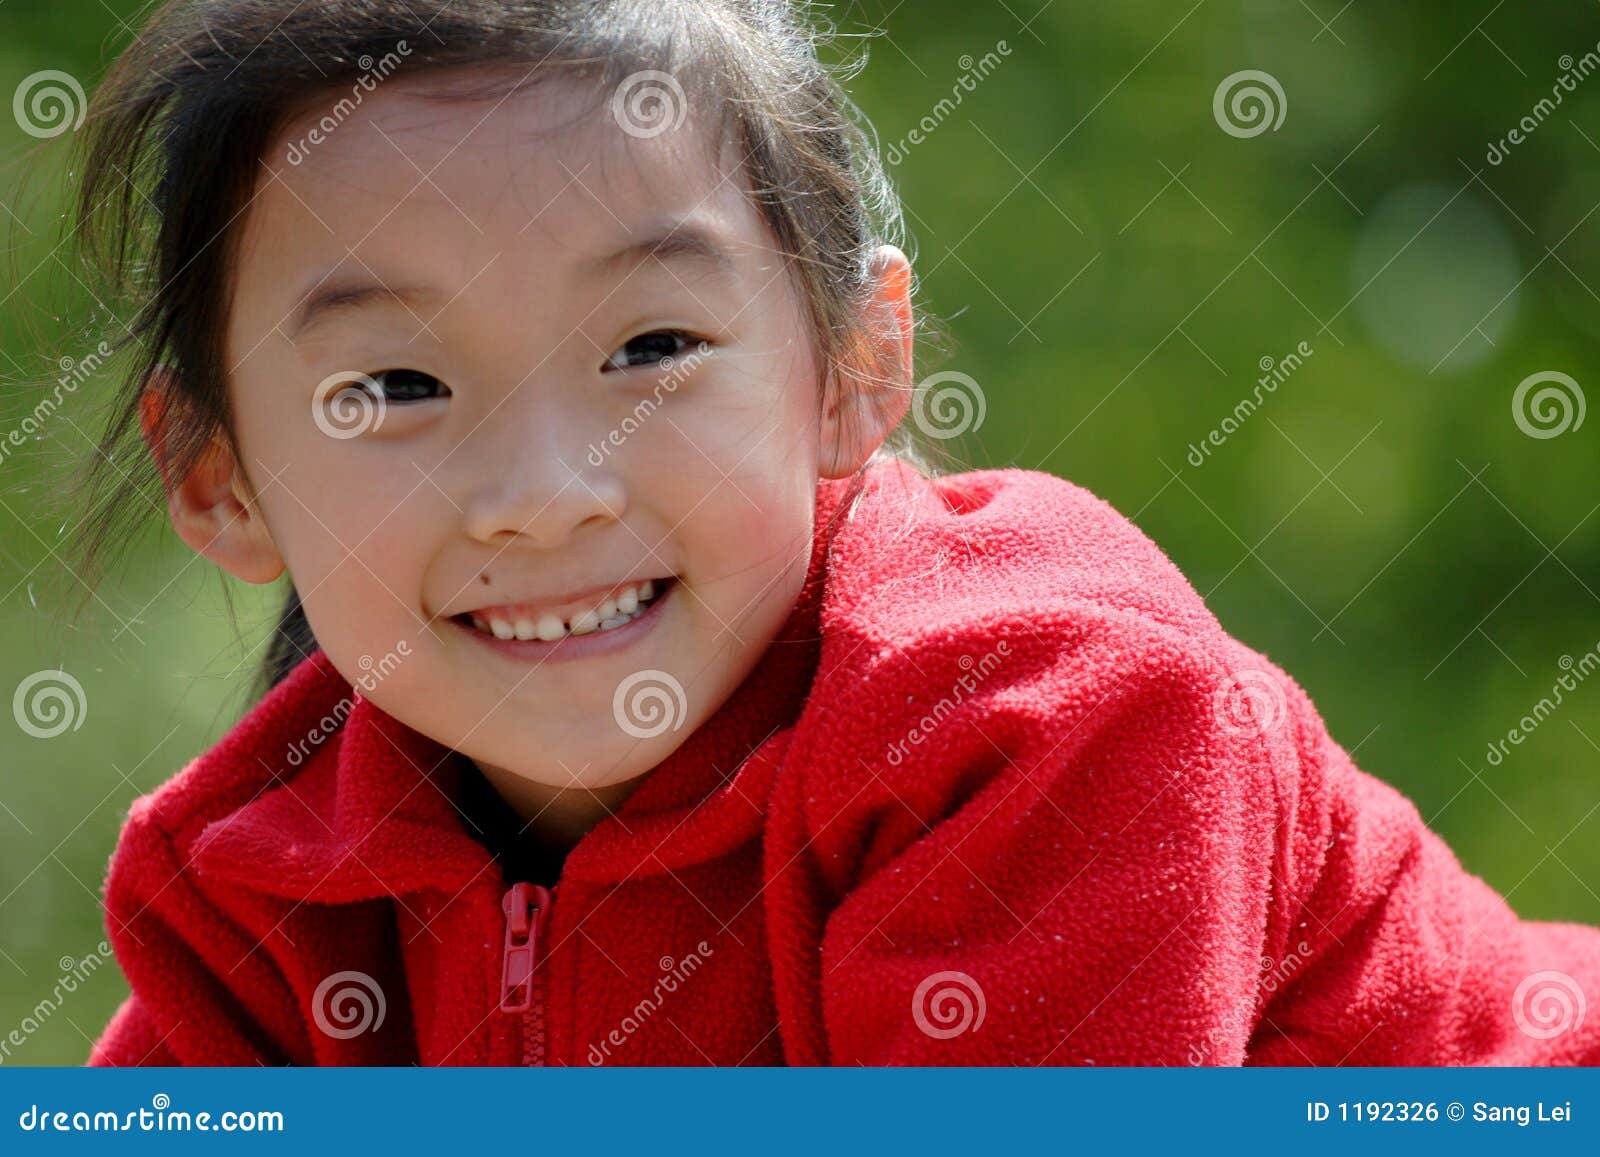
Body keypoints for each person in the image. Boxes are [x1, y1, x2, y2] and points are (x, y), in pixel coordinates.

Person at [64, 0, 1600, 1066]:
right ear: (219, 478)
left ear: (857, 367)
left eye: (652, 348)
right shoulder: (260, 887)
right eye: (397, 386)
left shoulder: (1029, 712)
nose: (548, 487)